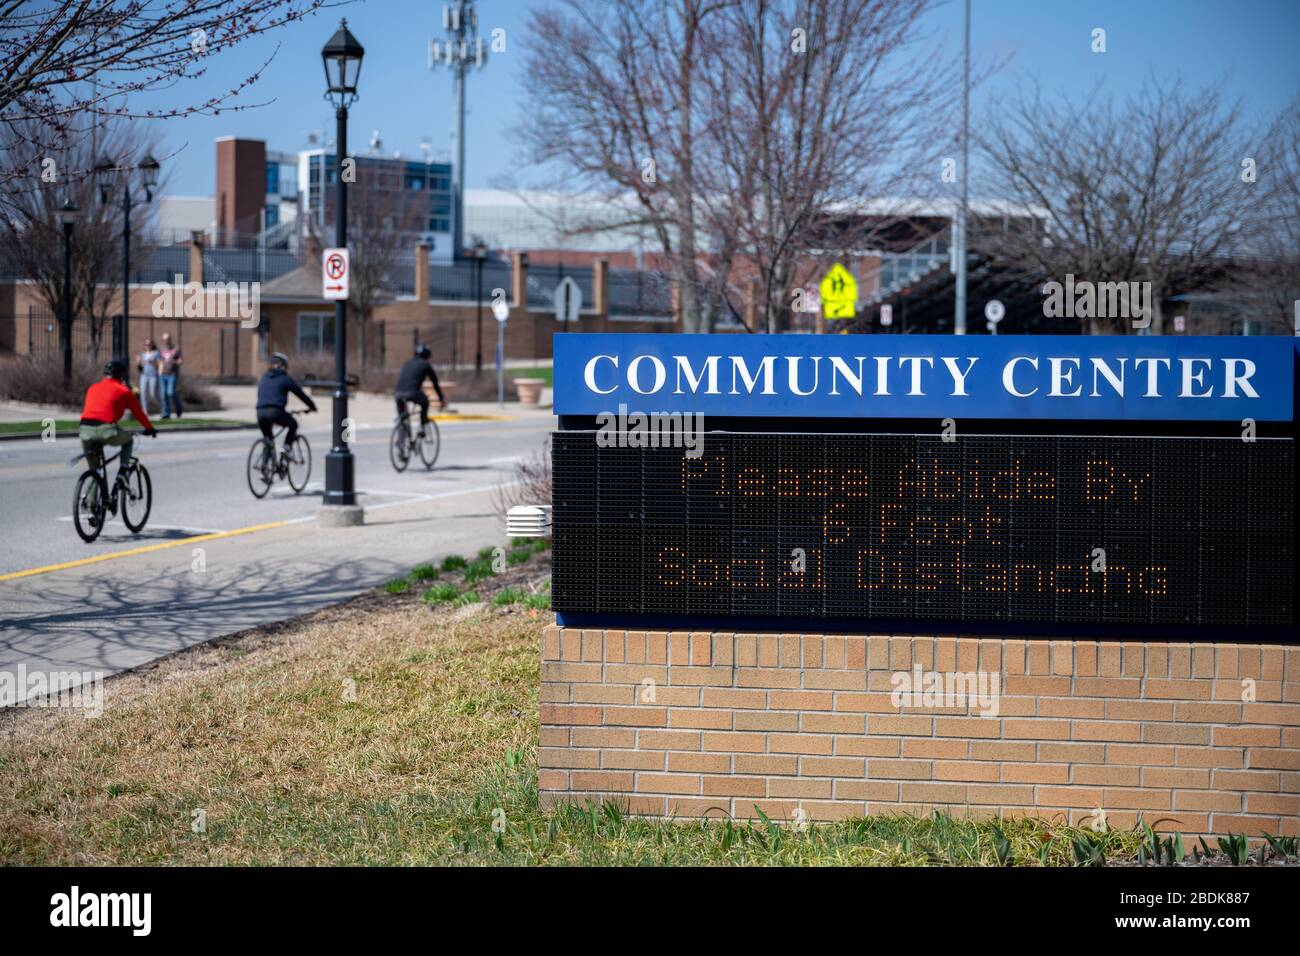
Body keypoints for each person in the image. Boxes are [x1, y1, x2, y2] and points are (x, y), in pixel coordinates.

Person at [80, 359, 156, 478]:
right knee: (128, 441)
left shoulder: (92, 388)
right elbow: (138, 413)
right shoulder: (124, 391)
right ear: (121, 375)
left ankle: (90, 496)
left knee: (94, 472)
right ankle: (123, 472)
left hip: (84, 430)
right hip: (106, 429)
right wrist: (150, 429)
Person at [255, 352, 316, 452]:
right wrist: (312, 406)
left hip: (260, 413)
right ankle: (286, 447)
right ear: (283, 366)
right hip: (275, 412)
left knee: (268, 440)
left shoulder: (264, 378)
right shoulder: (284, 378)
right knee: (293, 424)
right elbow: (300, 394)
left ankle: (264, 464)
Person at [394, 343, 446, 429]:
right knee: (425, 402)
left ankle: (401, 434)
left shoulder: (407, 363)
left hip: (398, 393)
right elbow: (435, 383)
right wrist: (441, 397)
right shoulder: (425, 365)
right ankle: (423, 424)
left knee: (403, 417)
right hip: (413, 393)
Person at [158, 332, 183, 419]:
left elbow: (181, 361)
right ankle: (166, 414)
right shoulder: (161, 349)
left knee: (170, 393)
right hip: (163, 375)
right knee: (163, 395)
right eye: (164, 339)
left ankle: (179, 408)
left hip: (172, 374)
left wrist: (174, 361)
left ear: (170, 339)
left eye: (167, 339)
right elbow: (160, 361)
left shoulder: (176, 349)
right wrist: (159, 373)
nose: (166, 341)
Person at [137, 338, 161, 417]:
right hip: (144, 375)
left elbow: (159, 364)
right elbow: (139, 368)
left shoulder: (156, 353)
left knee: (153, 394)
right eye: (146, 344)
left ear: (152, 345)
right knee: (143, 393)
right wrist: (138, 363)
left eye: (149, 344)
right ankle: (145, 411)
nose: (147, 346)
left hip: (153, 375)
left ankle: (162, 408)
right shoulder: (142, 354)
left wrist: (153, 362)